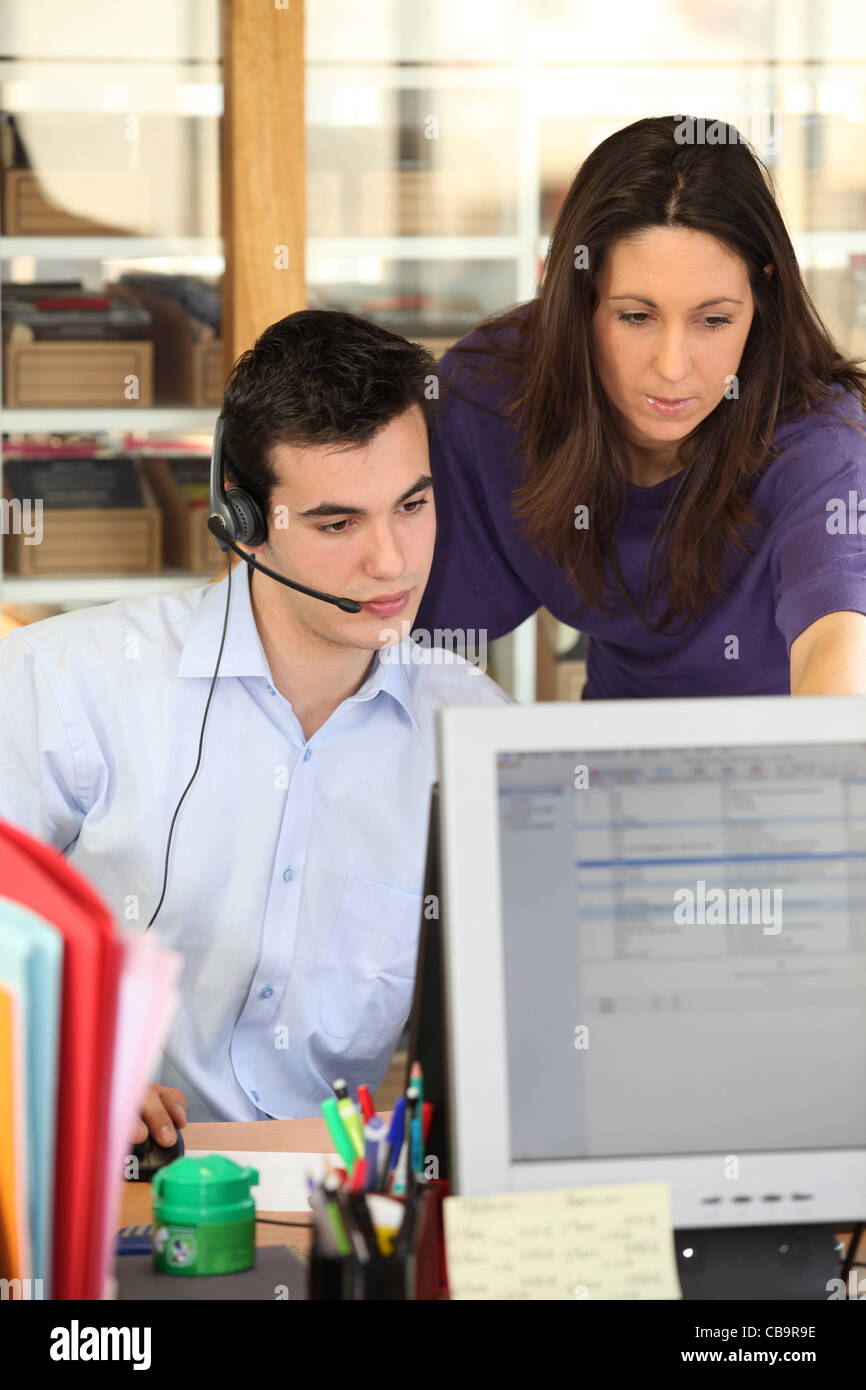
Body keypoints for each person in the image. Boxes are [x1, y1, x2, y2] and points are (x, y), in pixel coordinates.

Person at [0, 310, 510, 1145]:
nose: (392, 562)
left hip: (324, 1201)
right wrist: (49, 1064)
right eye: (337, 524)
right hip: (93, 1172)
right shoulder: (64, 685)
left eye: (412, 505)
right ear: (240, 522)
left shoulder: (471, 735)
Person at [415, 113, 866, 698]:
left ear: (764, 299)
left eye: (714, 320)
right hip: (612, 757)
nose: (673, 367)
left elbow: (840, 645)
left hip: (787, 766)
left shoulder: (822, 447)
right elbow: (404, 634)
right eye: (635, 316)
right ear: (578, 298)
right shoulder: (492, 393)